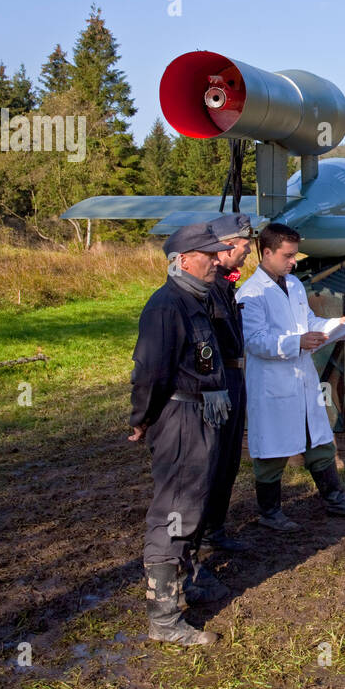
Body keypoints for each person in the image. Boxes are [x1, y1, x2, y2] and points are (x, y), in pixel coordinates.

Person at [129, 222, 235, 646]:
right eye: (208, 255)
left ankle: (186, 580)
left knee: (193, 506)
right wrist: (142, 418)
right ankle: (164, 619)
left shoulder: (196, 300)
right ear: (183, 260)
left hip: (201, 416)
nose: (216, 261)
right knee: (173, 511)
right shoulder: (166, 306)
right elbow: (150, 373)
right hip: (180, 418)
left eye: (216, 254)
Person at [237, 221, 345, 531]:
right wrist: (295, 343)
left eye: (295, 255)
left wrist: (332, 326)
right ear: (267, 252)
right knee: (272, 451)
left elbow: (307, 320)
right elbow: (254, 341)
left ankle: (334, 500)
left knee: (319, 440)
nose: (293, 261)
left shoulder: (295, 285)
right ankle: (270, 513)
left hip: (302, 379)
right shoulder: (251, 294)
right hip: (273, 384)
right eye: (287, 256)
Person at [199, 213, 254, 554]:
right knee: (212, 461)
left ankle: (216, 529)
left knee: (230, 459)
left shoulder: (227, 285)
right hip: (216, 384)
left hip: (234, 378)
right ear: (227, 246)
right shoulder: (207, 289)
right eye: (246, 245)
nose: (249, 251)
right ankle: (202, 536)